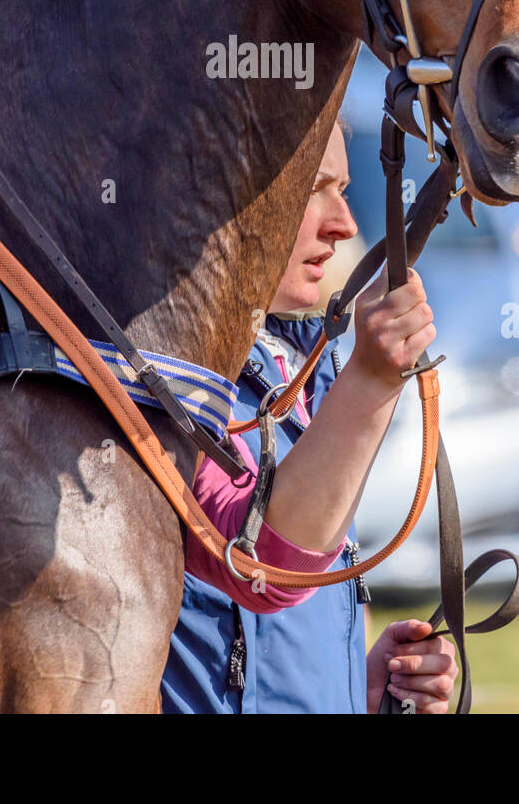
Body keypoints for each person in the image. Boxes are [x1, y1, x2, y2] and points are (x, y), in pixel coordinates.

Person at [161, 120, 457, 714]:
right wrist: (370, 383)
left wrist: (356, 689)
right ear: (224, 196)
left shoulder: (302, 369)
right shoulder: (153, 374)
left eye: (343, 190)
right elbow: (263, 563)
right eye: (312, 190)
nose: (344, 224)